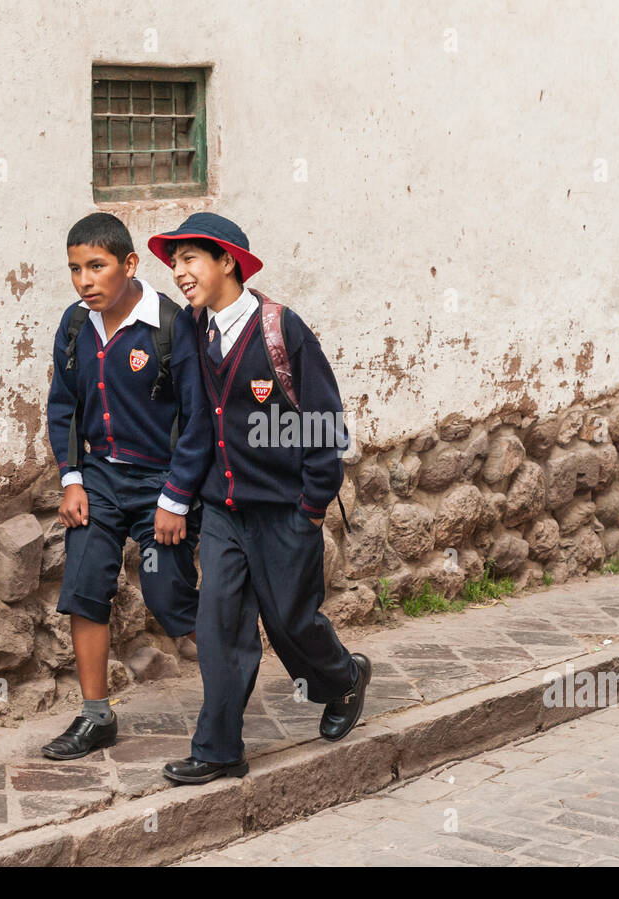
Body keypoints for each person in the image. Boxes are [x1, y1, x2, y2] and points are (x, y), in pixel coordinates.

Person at [145, 212, 372, 784]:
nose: (179, 272)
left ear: (227, 261)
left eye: (190, 258)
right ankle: (219, 749)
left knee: (290, 621)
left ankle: (343, 679)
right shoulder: (195, 331)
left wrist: (313, 504)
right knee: (219, 626)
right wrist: (180, 493)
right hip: (223, 511)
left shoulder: (281, 328)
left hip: (284, 509)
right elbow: (199, 419)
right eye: (174, 262)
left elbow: (324, 421)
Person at [42, 212, 211, 759]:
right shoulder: (74, 327)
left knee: (168, 595)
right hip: (100, 480)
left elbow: (197, 418)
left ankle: (225, 699)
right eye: (75, 269)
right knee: (85, 588)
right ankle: (96, 717)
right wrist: (72, 480)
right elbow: (63, 408)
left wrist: (176, 497)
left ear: (129, 264)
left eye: (97, 266)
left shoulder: (169, 326)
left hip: (160, 483)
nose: (85, 281)